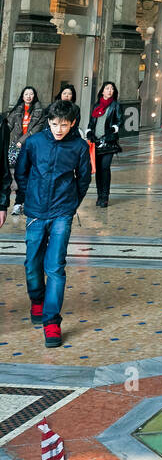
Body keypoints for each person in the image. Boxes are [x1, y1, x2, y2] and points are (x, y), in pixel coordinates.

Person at [16, 99, 91, 347]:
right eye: (54, 123)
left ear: (72, 124)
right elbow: (22, 172)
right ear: (49, 121)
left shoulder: (79, 147)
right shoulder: (35, 143)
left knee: (55, 267)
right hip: (36, 211)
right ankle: (36, 298)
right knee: (31, 264)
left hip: (62, 212)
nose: (59, 129)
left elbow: (83, 179)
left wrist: (70, 205)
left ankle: (51, 322)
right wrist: (29, 197)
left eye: (64, 124)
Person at [6, 86, 46, 215]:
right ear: (22, 96)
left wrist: (21, 141)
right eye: (26, 94)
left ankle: (26, 202)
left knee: (28, 175)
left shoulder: (40, 111)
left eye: (31, 94)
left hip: (31, 147)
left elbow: (36, 130)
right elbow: (8, 127)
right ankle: (18, 203)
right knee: (18, 175)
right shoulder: (16, 110)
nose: (28, 96)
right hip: (15, 147)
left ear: (35, 96)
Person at [83, 81, 123, 208]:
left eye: (112, 89)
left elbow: (120, 121)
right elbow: (91, 122)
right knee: (99, 170)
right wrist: (89, 133)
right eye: (107, 88)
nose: (110, 91)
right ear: (102, 91)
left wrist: (113, 129)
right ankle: (99, 196)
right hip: (96, 142)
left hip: (109, 142)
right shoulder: (96, 106)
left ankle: (105, 197)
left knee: (105, 167)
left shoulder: (116, 105)